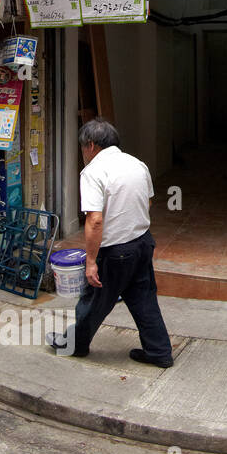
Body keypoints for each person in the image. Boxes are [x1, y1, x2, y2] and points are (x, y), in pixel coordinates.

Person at [69, 119, 171, 367]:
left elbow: (94, 220)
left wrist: (90, 261)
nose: (83, 153)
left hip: (115, 251)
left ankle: (74, 345)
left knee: (93, 301)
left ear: (91, 145)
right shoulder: (137, 164)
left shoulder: (93, 172)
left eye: (83, 148)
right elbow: (147, 202)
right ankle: (159, 353)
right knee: (144, 299)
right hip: (142, 243)